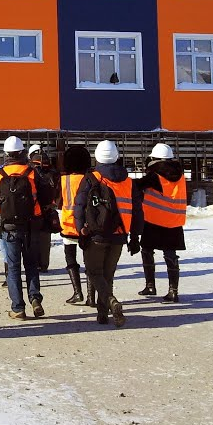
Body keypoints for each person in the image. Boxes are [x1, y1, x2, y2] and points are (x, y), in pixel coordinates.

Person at [73, 140, 142, 327]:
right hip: (119, 235)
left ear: (97, 157)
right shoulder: (128, 181)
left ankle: (111, 302)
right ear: (116, 156)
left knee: (94, 272)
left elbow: (79, 206)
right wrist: (135, 236)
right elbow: (137, 211)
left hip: (96, 234)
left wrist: (80, 229)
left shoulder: (90, 178)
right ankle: (102, 315)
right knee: (108, 275)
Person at [0, 136, 54, 320]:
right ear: (23, 152)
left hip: (9, 227)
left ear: (6, 154)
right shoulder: (32, 172)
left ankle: (18, 308)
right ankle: (35, 299)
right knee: (31, 264)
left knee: (14, 268)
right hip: (32, 225)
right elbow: (47, 196)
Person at [137, 143, 188, 302]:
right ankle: (173, 291)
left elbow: (136, 186)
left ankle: (150, 286)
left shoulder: (155, 175)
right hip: (174, 222)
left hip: (154, 221)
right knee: (171, 254)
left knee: (146, 250)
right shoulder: (180, 175)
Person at [57, 145, 92, 305]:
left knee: (71, 259)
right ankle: (92, 297)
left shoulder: (64, 180)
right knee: (90, 262)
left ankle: (77, 292)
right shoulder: (91, 179)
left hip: (68, 225)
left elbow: (57, 202)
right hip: (87, 226)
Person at [28, 144, 59, 272]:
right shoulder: (53, 170)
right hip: (49, 208)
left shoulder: (30, 170)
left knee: (33, 237)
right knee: (46, 238)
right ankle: (44, 264)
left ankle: (34, 263)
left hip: (35, 209)